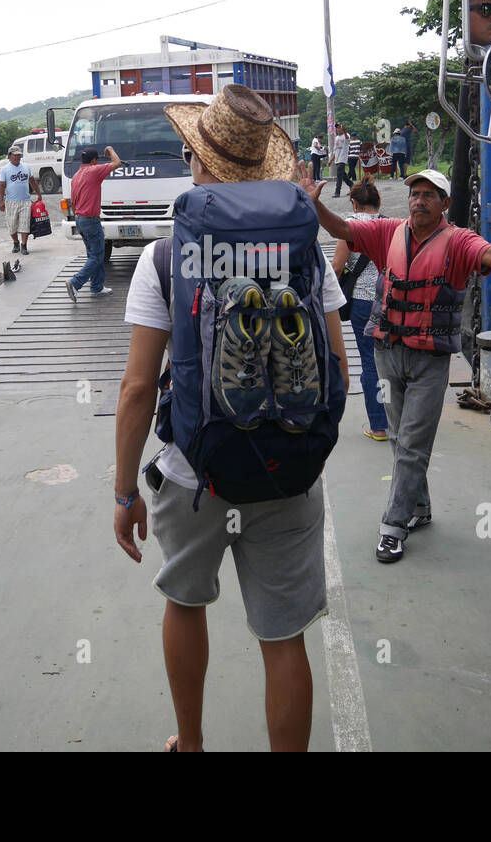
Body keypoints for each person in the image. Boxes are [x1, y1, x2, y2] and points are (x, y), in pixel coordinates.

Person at [114, 84, 349, 752]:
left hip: (196, 476)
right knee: (283, 639)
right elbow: (336, 364)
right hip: (291, 468)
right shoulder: (302, 251)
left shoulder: (166, 257)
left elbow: (136, 390)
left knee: (186, 604)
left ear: (197, 158)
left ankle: (190, 745)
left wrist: (124, 489)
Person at [304, 168, 491, 564]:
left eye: (428, 194)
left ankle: (392, 526)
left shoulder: (459, 242)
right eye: (415, 193)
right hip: (388, 355)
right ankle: (420, 509)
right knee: (400, 440)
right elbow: (342, 229)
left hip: (429, 362)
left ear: (445, 204)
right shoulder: (388, 232)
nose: (418, 200)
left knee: (412, 443)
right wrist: (314, 204)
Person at [331, 179, 388, 441]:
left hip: (364, 303)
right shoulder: (392, 225)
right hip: (391, 300)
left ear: (354, 202)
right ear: (377, 202)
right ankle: (396, 416)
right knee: (390, 361)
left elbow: (338, 267)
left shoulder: (349, 227)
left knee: (369, 360)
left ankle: (378, 425)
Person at [65, 145, 121, 300]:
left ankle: (96, 287)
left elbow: (74, 202)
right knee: (96, 257)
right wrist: (110, 150)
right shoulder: (94, 171)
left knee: (94, 255)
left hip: (80, 219)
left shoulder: (76, 176)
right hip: (90, 220)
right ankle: (75, 282)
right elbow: (117, 163)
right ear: (94, 161)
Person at [0, 141, 41, 255]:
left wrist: (39, 194)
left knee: (24, 225)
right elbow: (1, 186)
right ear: (9, 156)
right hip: (11, 202)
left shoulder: (26, 167)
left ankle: (24, 245)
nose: (17, 157)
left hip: (25, 201)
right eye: (15, 155)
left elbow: (32, 181)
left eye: (19, 155)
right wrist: (1, 201)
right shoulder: (5, 169)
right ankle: (16, 242)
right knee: (12, 226)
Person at [331, 126, 352, 198]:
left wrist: (345, 131)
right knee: (343, 175)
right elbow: (335, 150)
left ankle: (337, 192)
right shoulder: (336, 138)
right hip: (337, 158)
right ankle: (352, 185)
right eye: (337, 128)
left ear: (342, 129)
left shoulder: (346, 135)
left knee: (339, 175)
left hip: (342, 158)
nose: (338, 129)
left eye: (339, 128)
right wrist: (331, 160)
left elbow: (347, 139)